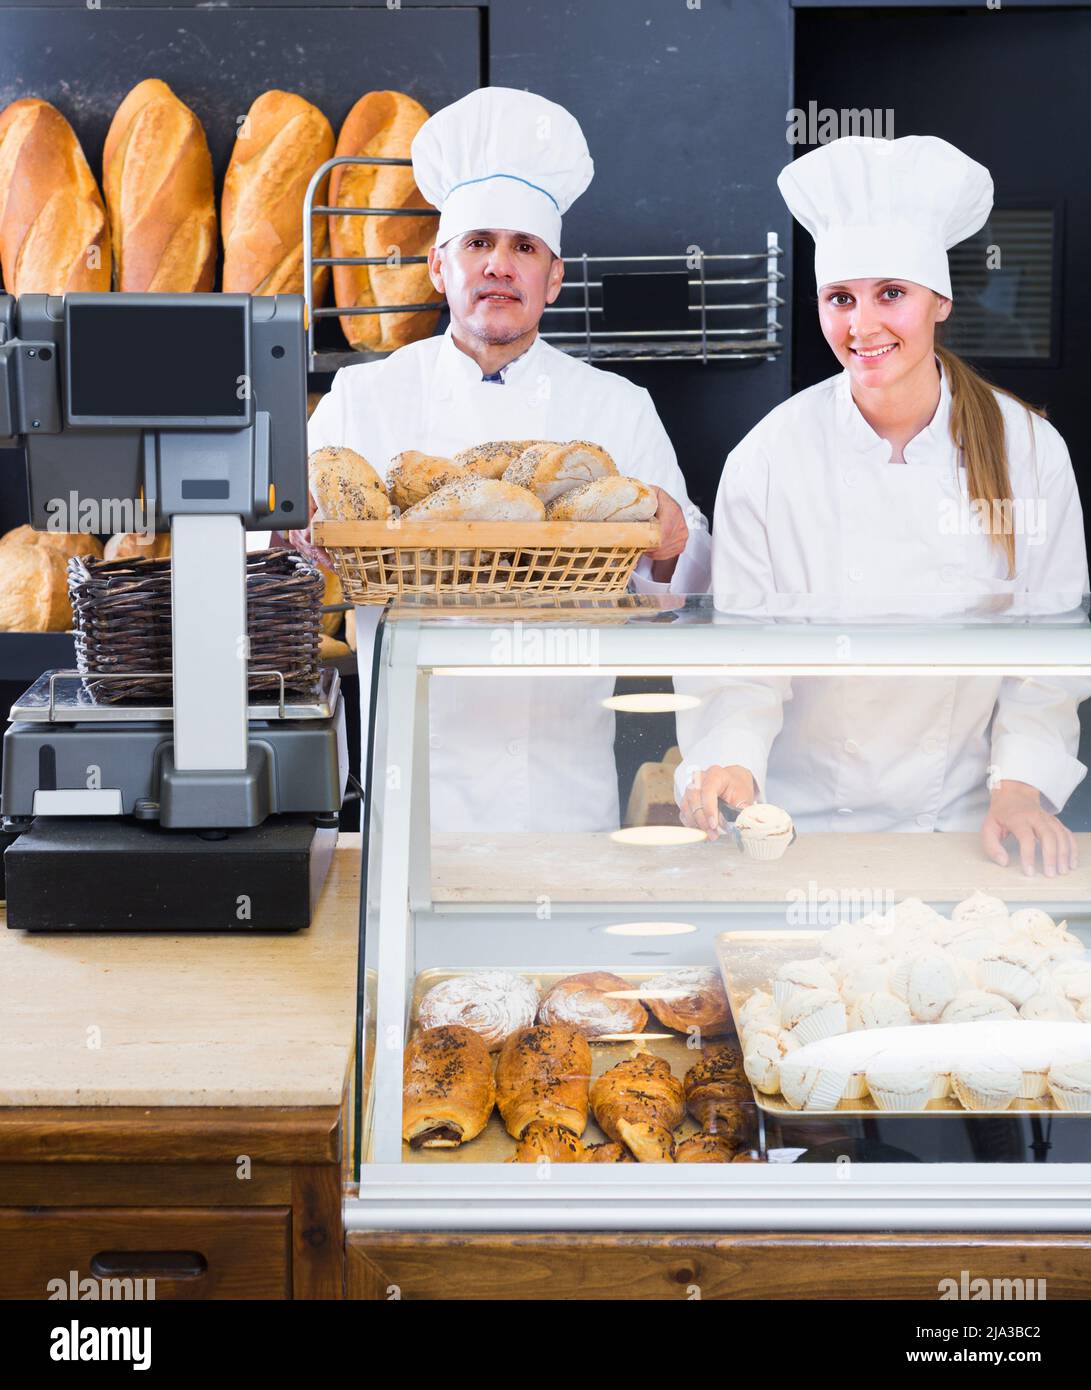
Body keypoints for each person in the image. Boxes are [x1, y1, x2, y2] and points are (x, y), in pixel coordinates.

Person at [298, 87, 710, 831]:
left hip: (562, 782)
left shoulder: (615, 406)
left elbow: (682, 585)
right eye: (478, 243)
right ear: (437, 266)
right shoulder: (360, 399)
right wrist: (293, 536)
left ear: (553, 278)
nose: (499, 265)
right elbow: (281, 561)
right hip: (411, 775)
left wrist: (673, 539)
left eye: (524, 248)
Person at [676, 135, 1089, 877]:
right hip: (794, 832)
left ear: (938, 300)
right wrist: (730, 763)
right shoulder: (768, 459)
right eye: (840, 299)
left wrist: (1021, 789)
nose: (862, 326)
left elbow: (1046, 652)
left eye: (890, 294)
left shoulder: (1028, 452)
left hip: (968, 829)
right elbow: (739, 654)